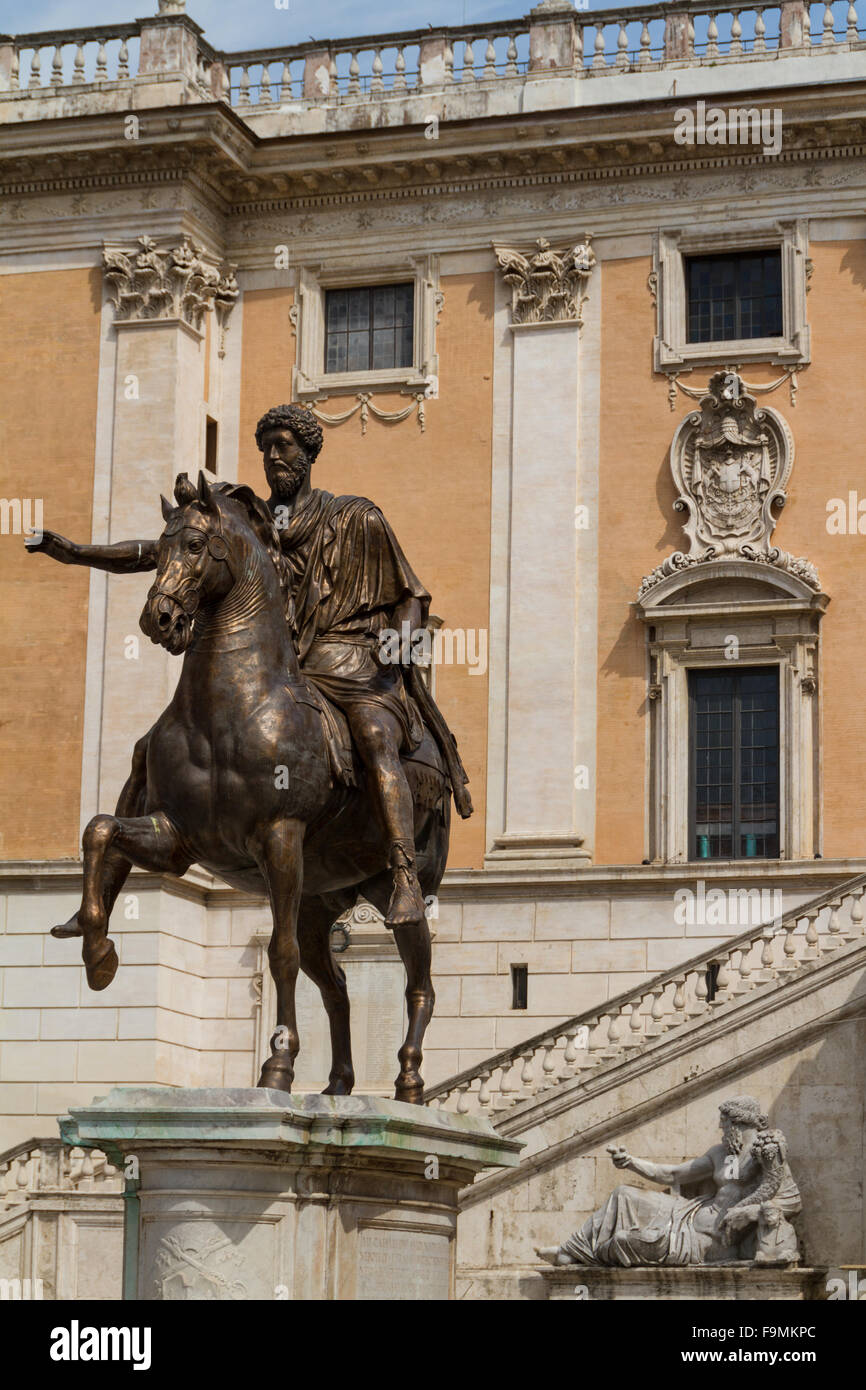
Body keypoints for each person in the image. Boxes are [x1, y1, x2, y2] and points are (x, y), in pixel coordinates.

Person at [27, 402, 471, 930]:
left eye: (284, 446)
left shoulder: (356, 516)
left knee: (374, 733)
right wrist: (79, 554)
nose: (273, 457)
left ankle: (401, 875)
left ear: (308, 453)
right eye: (266, 448)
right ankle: (97, 902)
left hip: (350, 661)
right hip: (287, 665)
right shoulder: (249, 524)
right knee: (149, 751)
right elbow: (163, 549)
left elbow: (411, 596)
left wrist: (396, 644)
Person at [536, 1096, 801, 1267]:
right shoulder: (722, 1154)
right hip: (688, 1212)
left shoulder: (766, 1153)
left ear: (738, 1123)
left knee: (627, 1240)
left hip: (709, 1239)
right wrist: (631, 1162)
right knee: (623, 1194)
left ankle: (589, 1255)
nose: (721, 1128)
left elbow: (791, 1199)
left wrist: (750, 1211)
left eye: (724, 1123)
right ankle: (570, 1250)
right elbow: (673, 1175)